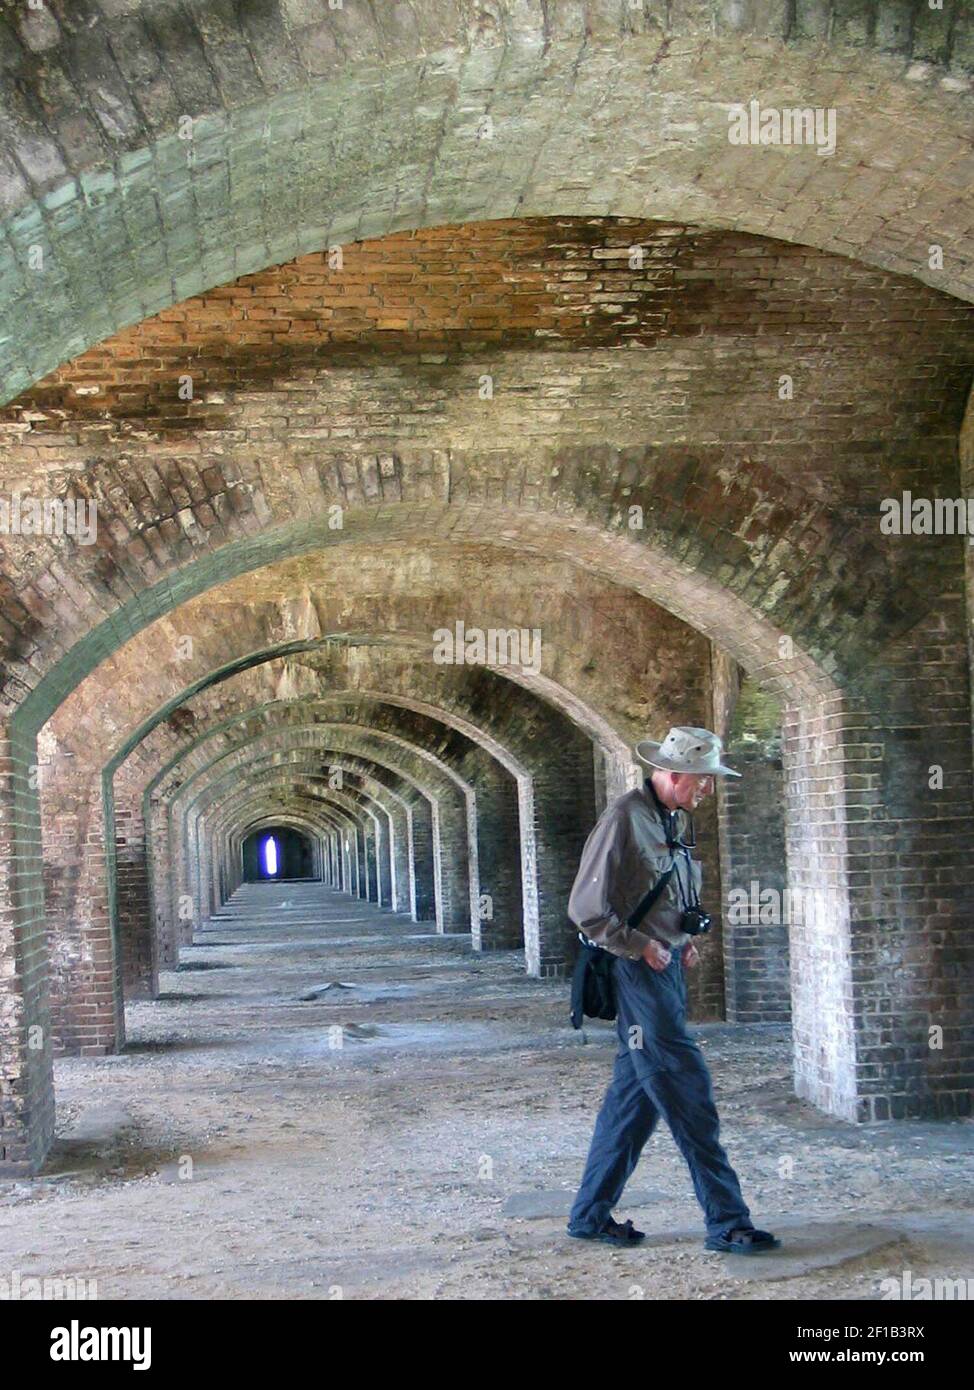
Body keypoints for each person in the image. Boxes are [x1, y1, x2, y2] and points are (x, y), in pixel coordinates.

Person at [566, 726, 780, 1256]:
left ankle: (590, 1216)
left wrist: (681, 938)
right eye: (703, 780)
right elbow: (586, 910)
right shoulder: (623, 819)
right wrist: (640, 946)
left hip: (666, 971)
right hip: (638, 978)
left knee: (633, 1103)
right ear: (674, 773)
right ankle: (727, 1222)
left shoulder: (674, 818)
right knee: (688, 1093)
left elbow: (669, 889)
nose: (708, 789)